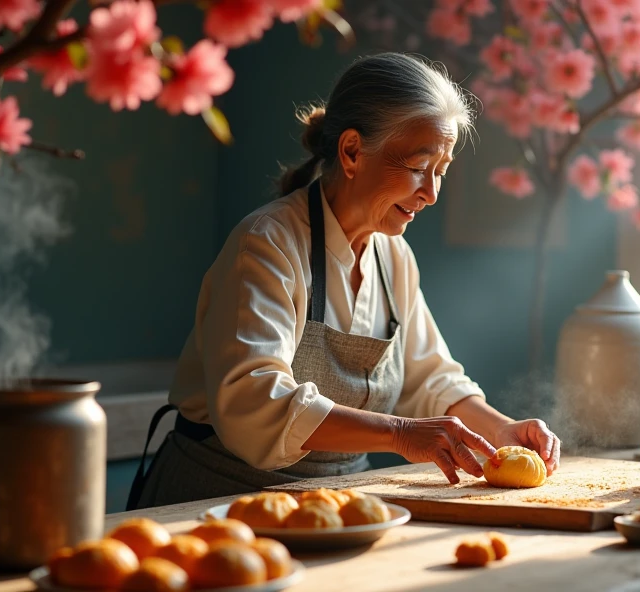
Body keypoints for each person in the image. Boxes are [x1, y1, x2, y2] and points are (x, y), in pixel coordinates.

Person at [128, 52, 561, 510]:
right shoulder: (268, 244)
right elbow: (254, 399)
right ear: (353, 151)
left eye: (441, 172)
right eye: (418, 167)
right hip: (218, 503)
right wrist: (398, 433)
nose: (431, 193)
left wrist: (499, 429)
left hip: (334, 505)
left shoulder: (393, 256)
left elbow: (428, 378)